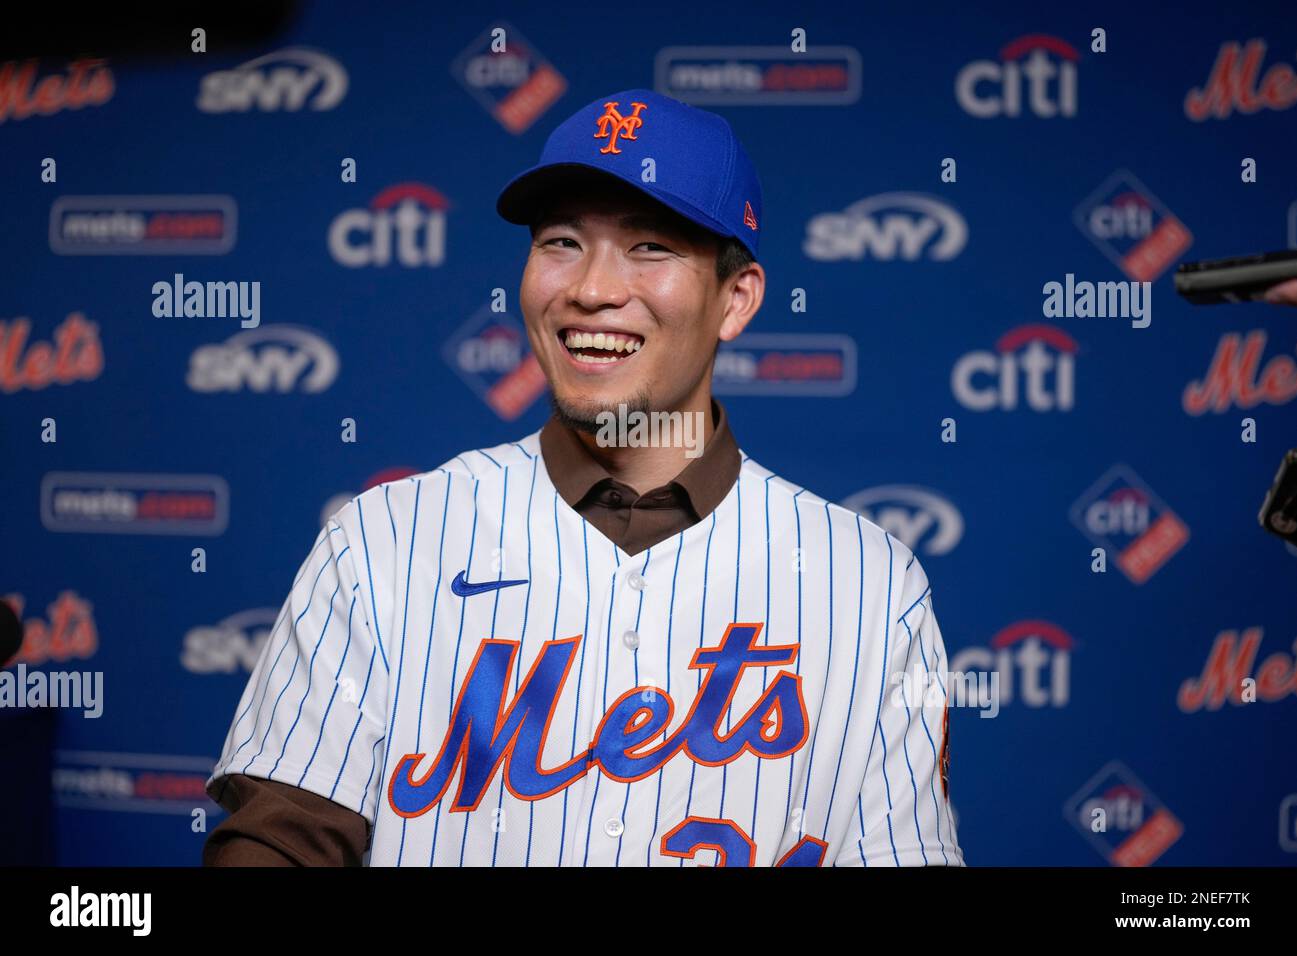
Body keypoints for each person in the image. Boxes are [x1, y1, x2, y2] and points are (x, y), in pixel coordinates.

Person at [203, 88, 962, 867]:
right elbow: (277, 844)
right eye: (561, 242)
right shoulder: (384, 541)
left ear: (736, 299)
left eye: (649, 248)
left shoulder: (868, 583)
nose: (591, 288)